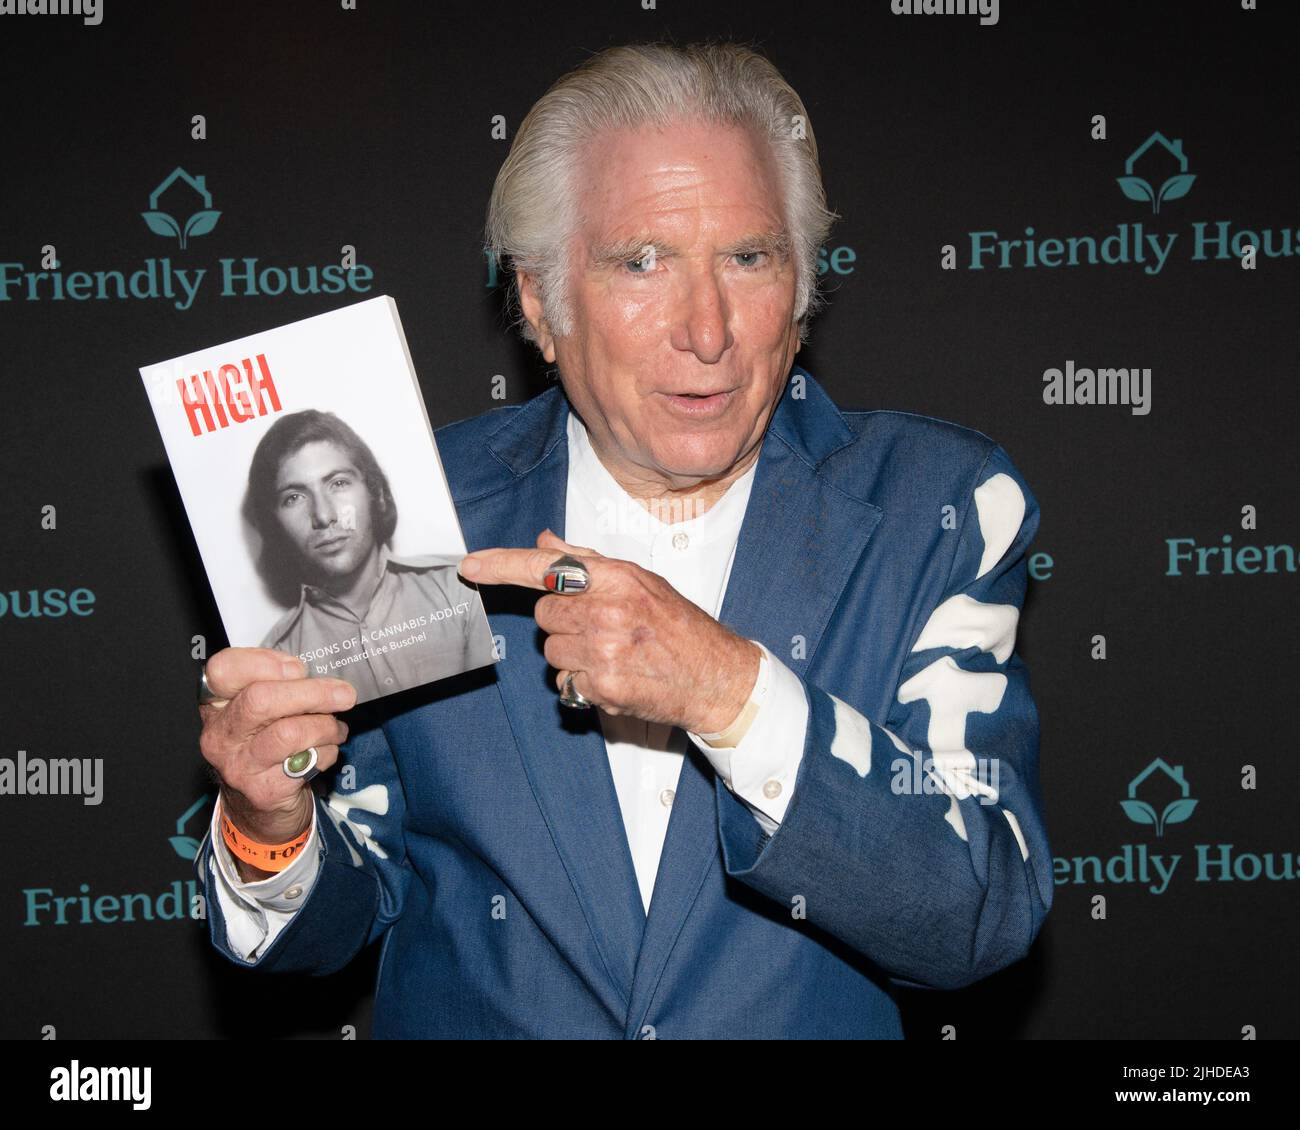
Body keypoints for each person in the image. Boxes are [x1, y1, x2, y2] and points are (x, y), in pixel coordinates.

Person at [194, 41, 1053, 1039]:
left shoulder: (934, 504)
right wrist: (269, 829)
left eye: (749, 256)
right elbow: (339, 916)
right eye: (641, 261)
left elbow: (979, 911)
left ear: (803, 287)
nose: (707, 327)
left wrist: (731, 690)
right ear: (539, 302)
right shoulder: (421, 517)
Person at [243, 409, 497, 703]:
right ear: (275, 524)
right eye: (294, 497)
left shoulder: (460, 587)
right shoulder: (276, 662)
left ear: (374, 493)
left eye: (338, 483)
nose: (324, 516)